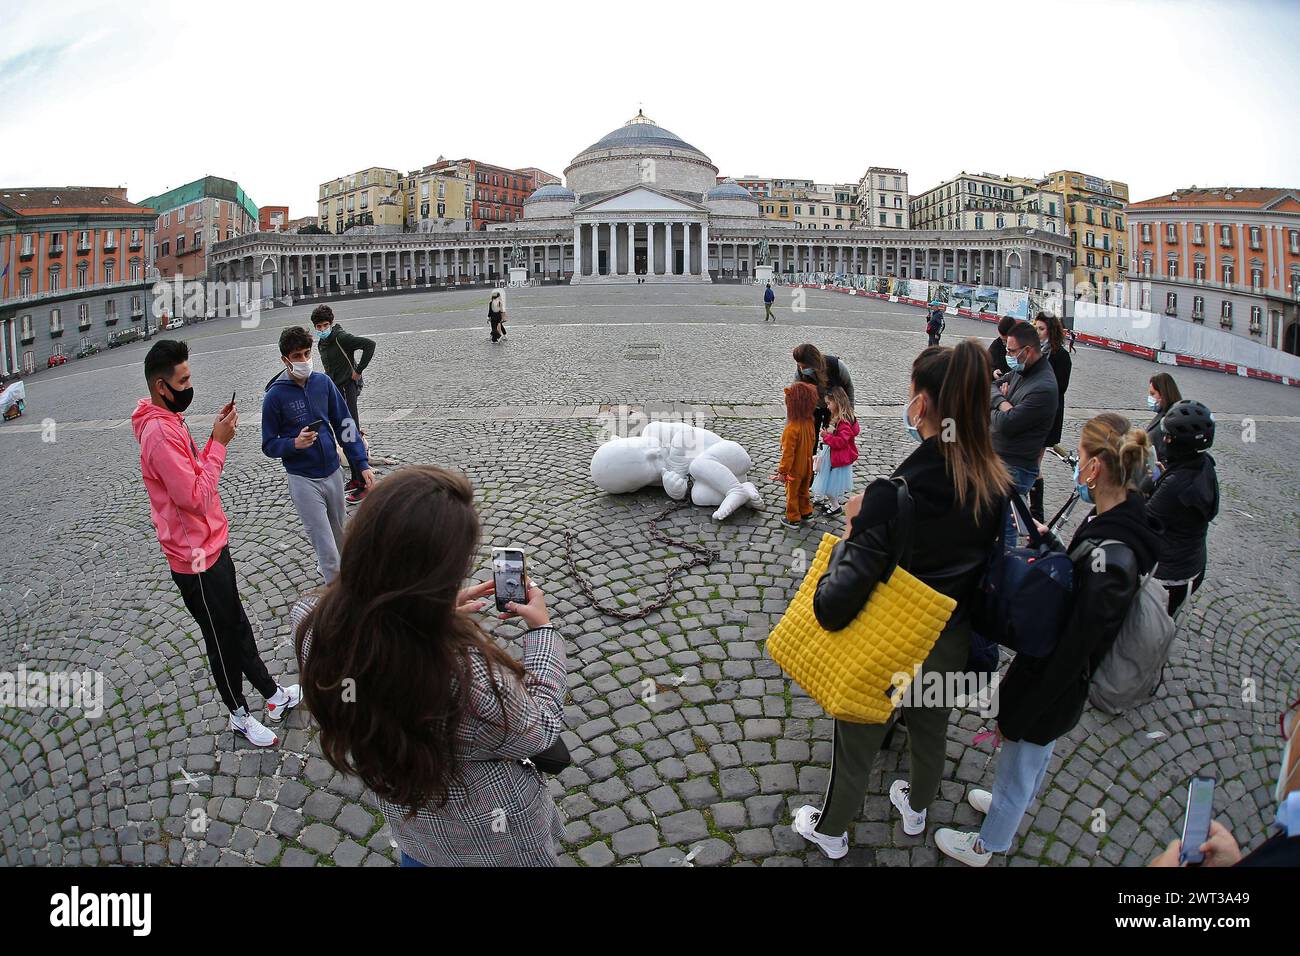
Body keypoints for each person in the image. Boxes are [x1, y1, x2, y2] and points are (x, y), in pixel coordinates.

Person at [792, 342, 1011, 858]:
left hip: (890, 640)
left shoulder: (893, 494)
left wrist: (851, 529)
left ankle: (831, 829)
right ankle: (916, 807)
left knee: (857, 742)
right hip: (951, 636)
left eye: (910, 390)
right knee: (930, 729)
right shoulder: (995, 483)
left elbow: (834, 604)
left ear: (922, 405)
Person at [293, 466, 567, 866]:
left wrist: (423, 609)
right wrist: (542, 630)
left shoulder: (313, 622)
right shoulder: (467, 680)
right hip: (494, 843)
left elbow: (374, 626)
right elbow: (540, 729)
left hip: (416, 833)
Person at [936, 413, 1162, 866]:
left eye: (1079, 457)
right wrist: (1057, 546)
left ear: (1096, 468)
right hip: (1057, 675)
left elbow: (1074, 648)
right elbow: (1085, 586)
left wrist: (1020, 712)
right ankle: (1005, 805)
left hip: (1056, 683)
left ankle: (989, 844)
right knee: (1028, 760)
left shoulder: (1112, 556)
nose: (1076, 466)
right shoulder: (1116, 520)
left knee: (1024, 758)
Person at [133, 339, 299, 748]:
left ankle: (272, 695)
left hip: (211, 547)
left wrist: (210, 439)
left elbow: (192, 475)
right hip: (196, 562)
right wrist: (221, 444)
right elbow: (194, 498)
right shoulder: (158, 433)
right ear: (161, 385)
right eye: (183, 379)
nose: (190, 385)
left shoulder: (170, 419)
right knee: (220, 638)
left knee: (236, 625)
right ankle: (239, 715)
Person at [263, 327, 374, 583]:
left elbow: (345, 424)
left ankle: (342, 577)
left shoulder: (323, 383)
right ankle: (337, 600)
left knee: (339, 536)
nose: (303, 360)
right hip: (303, 479)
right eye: (297, 356)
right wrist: (293, 444)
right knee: (325, 544)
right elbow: (269, 444)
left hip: (333, 472)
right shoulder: (274, 397)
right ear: (285, 360)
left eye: (306, 353)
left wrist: (361, 463)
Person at [1145, 399, 1219, 616]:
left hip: (1170, 573)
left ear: (1180, 444)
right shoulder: (1204, 464)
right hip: (1192, 562)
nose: (1164, 440)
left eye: (1168, 437)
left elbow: (1143, 520)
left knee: (1142, 629)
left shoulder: (1178, 485)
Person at [990, 321, 1058, 544]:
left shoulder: (1043, 387)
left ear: (1027, 351)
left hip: (1016, 467)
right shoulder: (1023, 370)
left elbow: (1008, 424)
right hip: (999, 459)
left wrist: (991, 409)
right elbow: (991, 387)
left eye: (1011, 350)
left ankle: (1004, 569)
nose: (1007, 354)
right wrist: (1003, 403)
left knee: (1004, 530)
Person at [312, 305, 376, 504]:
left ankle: (365, 484)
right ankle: (355, 478)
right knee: (343, 434)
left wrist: (358, 370)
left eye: (325, 325)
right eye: (318, 326)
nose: (322, 329)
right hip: (335, 390)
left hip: (347, 388)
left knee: (351, 432)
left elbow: (369, 345)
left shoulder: (341, 337)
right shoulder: (322, 342)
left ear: (331, 323)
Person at [1029, 312, 1073, 524]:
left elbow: (1060, 387)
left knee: (1033, 462)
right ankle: (1032, 511)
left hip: (1048, 416)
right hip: (1032, 412)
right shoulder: (1035, 352)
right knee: (1031, 462)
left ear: (1051, 331)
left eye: (1041, 329)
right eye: (1036, 328)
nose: (1037, 332)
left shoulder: (1060, 356)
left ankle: (1036, 513)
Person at [774, 376, 818, 527]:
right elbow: (812, 442)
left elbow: (788, 453)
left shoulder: (791, 428)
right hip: (807, 465)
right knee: (804, 490)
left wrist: (782, 471)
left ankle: (793, 517)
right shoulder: (809, 423)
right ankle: (806, 512)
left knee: (791, 493)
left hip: (795, 469)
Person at [812, 387, 859, 517]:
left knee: (827, 485)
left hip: (836, 459)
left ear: (837, 402)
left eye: (828, 403)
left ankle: (836, 506)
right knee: (828, 484)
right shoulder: (843, 419)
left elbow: (841, 442)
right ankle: (834, 504)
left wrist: (825, 436)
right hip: (834, 458)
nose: (827, 407)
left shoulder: (843, 422)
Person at [1145, 372, 1183, 466]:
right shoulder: (1164, 414)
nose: (1150, 398)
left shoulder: (1170, 420)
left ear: (1163, 393)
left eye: (1153, 394)